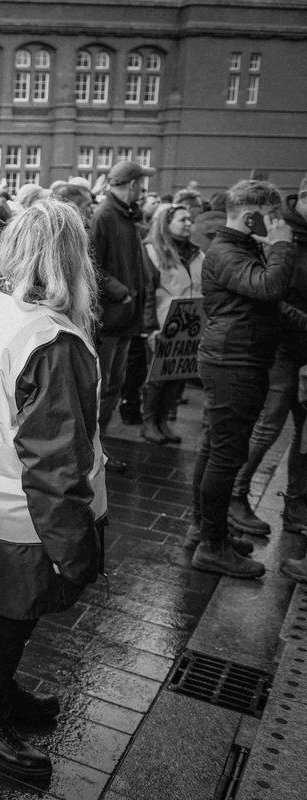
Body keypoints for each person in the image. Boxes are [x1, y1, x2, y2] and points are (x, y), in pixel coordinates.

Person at [0, 199, 107, 782]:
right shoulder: (51, 342)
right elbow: (56, 463)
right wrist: (75, 550)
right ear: (73, 259)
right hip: (27, 518)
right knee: (12, 619)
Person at [191, 179, 296, 579]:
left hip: (238, 359)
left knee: (217, 450)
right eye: (271, 217)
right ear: (252, 215)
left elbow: (271, 306)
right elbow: (269, 287)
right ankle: (211, 545)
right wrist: (283, 245)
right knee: (225, 455)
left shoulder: (241, 248)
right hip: (233, 363)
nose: (276, 224)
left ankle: (207, 531)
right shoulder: (228, 251)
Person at [232, 177, 307, 544]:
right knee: (270, 423)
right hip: (281, 343)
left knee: (304, 432)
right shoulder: (276, 232)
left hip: (302, 341)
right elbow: (270, 290)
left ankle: (296, 503)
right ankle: (235, 493)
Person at [92, 160, 156, 472]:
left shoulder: (127, 216)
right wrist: (122, 291)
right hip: (111, 318)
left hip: (125, 318)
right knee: (103, 388)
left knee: (114, 386)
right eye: (140, 184)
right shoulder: (105, 215)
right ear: (131, 184)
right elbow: (92, 265)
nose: (143, 190)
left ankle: (99, 448)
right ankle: (92, 451)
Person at [140, 204, 202, 446]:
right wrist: (151, 329)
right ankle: (149, 423)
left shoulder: (197, 253)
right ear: (167, 223)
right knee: (157, 378)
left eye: (190, 219)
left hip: (190, 322)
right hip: (163, 322)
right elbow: (147, 292)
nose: (189, 223)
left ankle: (163, 421)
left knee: (177, 376)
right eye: (182, 219)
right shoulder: (152, 251)